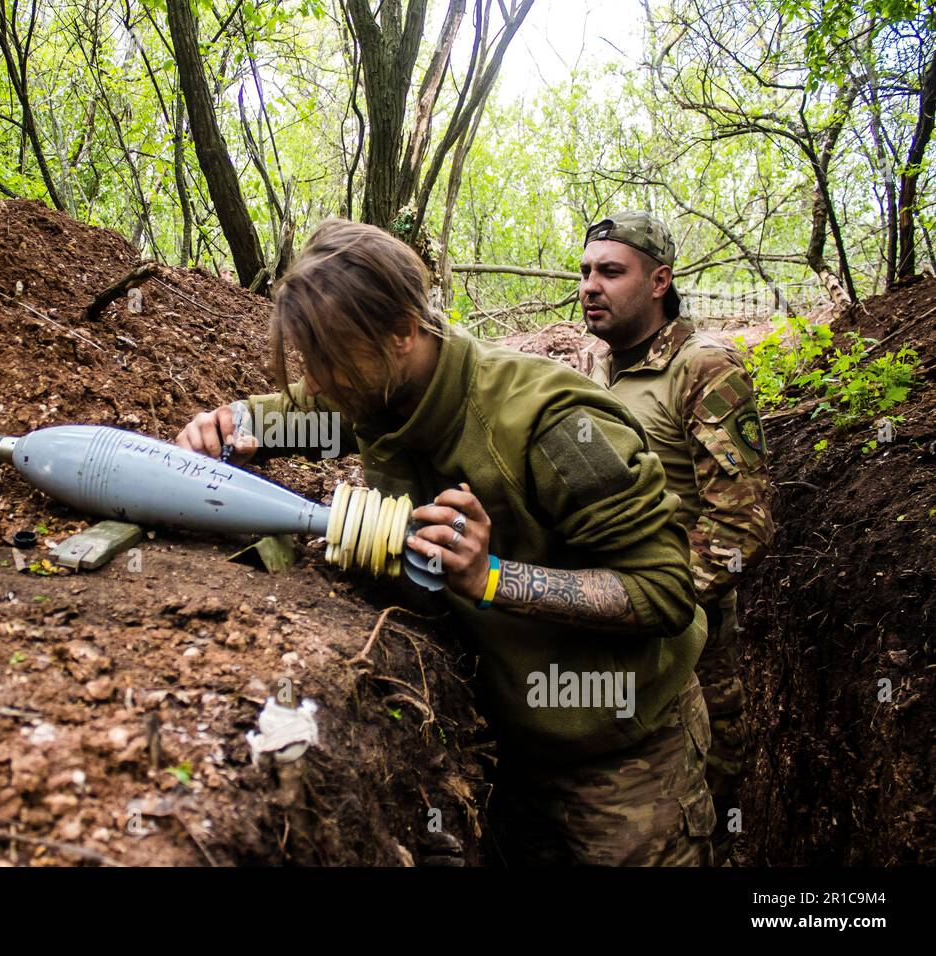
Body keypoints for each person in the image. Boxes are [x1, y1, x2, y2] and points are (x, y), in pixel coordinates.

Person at [176, 218, 716, 865]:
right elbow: (303, 415)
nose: (315, 383)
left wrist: (491, 577)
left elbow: (663, 591)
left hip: (624, 755)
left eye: (328, 361)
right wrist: (232, 424)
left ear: (403, 331)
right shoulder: (377, 393)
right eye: (307, 362)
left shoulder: (548, 423)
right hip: (508, 746)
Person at [577, 210, 775, 864]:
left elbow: (741, 524)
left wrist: (645, 602)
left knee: (702, 823)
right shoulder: (590, 369)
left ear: (659, 280)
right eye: (584, 271)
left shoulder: (704, 368)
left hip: (693, 647)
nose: (590, 286)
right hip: (602, 643)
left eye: (611, 271)